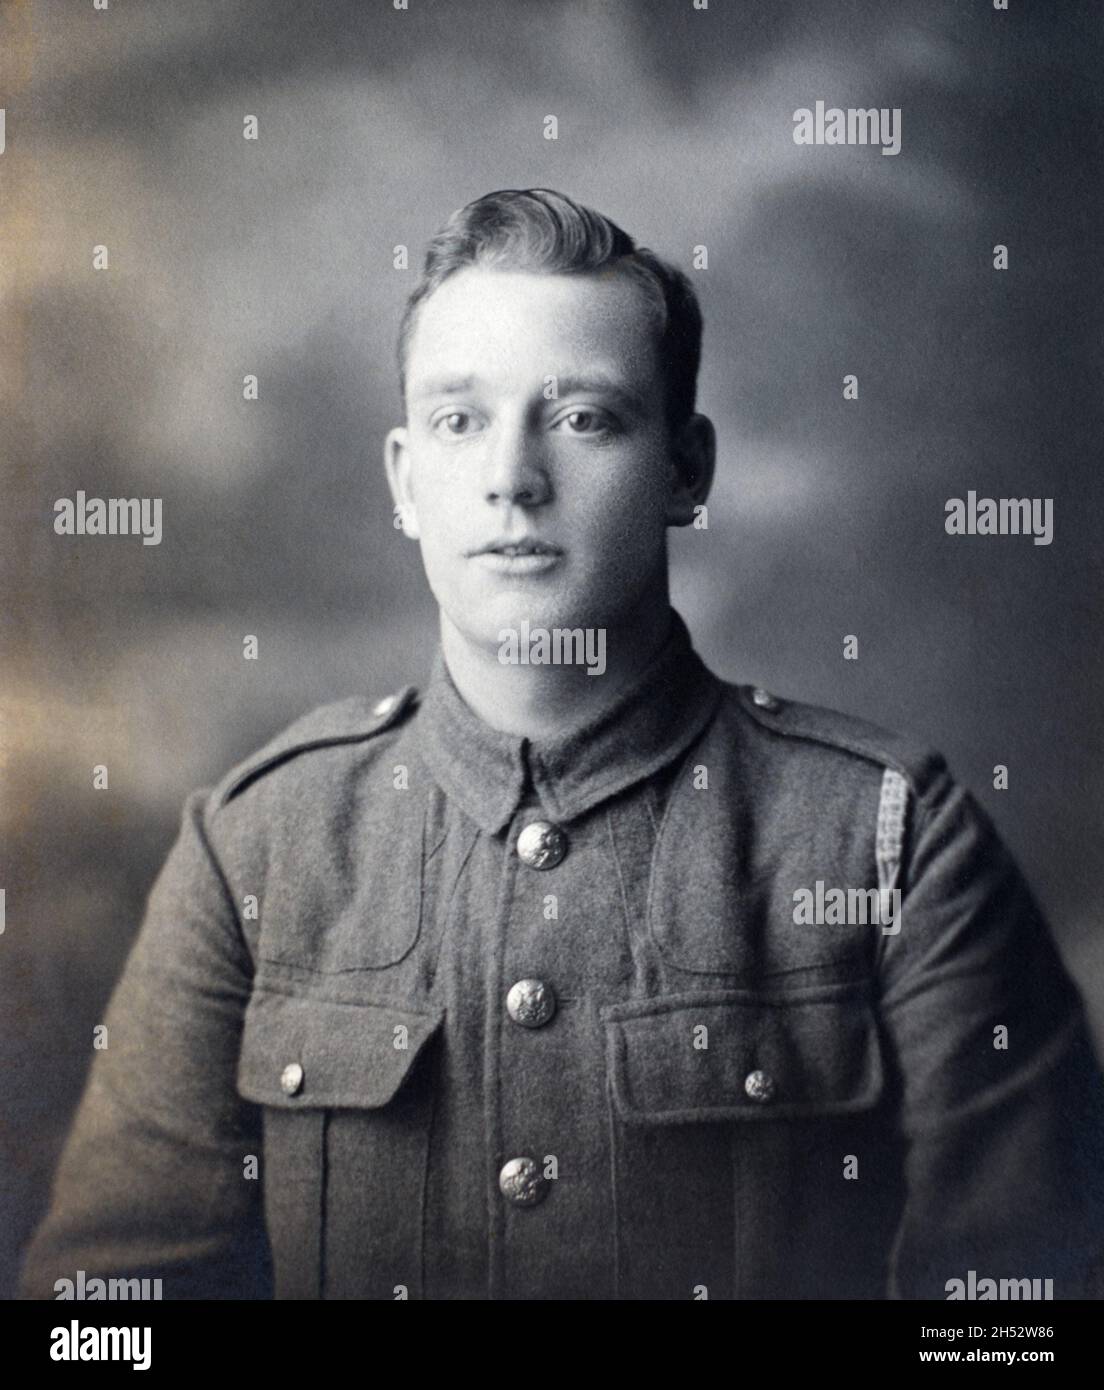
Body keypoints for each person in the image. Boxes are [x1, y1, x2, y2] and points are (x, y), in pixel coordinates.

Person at [20, 188, 1104, 1300]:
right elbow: (100, 1322)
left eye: (584, 418)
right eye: (459, 421)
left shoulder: (890, 840)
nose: (513, 477)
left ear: (685, 470)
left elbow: (1020, 1320)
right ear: (405, 480)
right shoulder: (257, 847)